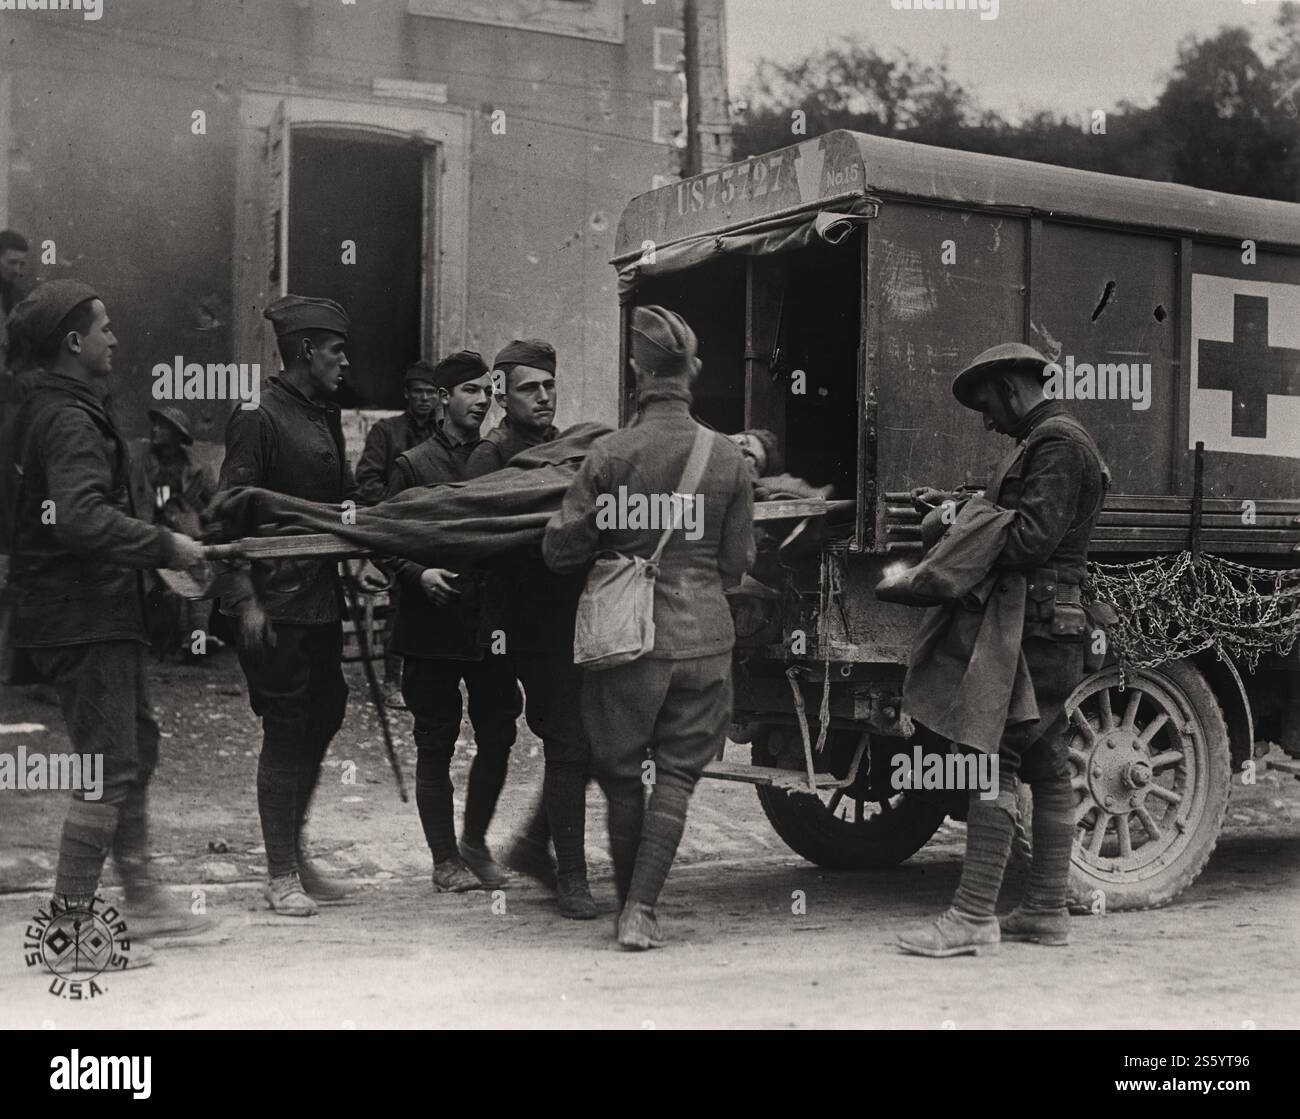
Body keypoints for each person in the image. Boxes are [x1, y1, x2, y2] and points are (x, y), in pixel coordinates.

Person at [2, 280, 210, 945]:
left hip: (95, 613)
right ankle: (68, 929)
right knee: (107, 766)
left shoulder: (53, 408)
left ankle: (142, 896)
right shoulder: (66, 418)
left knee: (133, 748)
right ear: (73, 341)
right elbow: (79, 519)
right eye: (105, 328)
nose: (114, 338)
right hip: (81, 615)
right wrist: (166, 544)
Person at [543, 305, 755, 949]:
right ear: (692, 371)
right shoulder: (728, 457)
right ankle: (641, 909)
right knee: (679, 778)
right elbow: (737, 563)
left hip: (630, 644)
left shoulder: (609, 454)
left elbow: (561, 551)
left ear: (636, 371)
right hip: (707, 641)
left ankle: (627, 904)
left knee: (620, 772)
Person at [896, 342, 1107, 957]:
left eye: (987, 404)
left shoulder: (1059, 445)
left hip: (1037, 627)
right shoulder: (1045, 443)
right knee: (1043, 761)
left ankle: (971, 918)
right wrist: (968, 509)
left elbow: (1033, 539)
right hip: (1045, 625)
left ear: (1012, 388)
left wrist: (964, 519)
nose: (987, 419)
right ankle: (1044, 911)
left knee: (990, 760)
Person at [217, 294, 358, 917]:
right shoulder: (257, 416)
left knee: (325, 710)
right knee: (286, 724)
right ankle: (279, 874)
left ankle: (294, 851)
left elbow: (341, 501)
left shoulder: (320, 415)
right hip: (272, 605)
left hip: (321, 600)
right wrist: (243, 597)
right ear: (306, 350)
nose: (344, 361)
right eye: (335, 350)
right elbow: (228, 513)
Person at [466, 339, 598, 919]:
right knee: (502, 738)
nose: (543, 397)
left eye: (548, 385)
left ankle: (561, 867)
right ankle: (488, 848)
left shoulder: (569, 449)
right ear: (502, 393)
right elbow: (479, 545)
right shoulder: (489, 460)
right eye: (528, 388)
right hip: (501, 621)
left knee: (574, 741)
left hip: (557, 621)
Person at [383, 351, 524, 892]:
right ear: (443, 399)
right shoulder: (413, 465)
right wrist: (417, 574)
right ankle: (444, 860)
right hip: (432, 627)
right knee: (435, 742)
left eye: (487, 390)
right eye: (470, 390)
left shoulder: (502, 461)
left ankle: (474, 842)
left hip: (490, 626)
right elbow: (384, 539)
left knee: (498, 733)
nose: (483, 399)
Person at [355, 359, 441, 703]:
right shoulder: (385, 432)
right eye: (418, 392)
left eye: (431, 393)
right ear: (406, 394)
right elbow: (366, 483)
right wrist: (403, 505)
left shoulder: (443, 434)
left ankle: (429, 680)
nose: (424, 399)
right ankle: (393, 681)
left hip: (433, 530)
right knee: (401, 603)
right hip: (396, 531)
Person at [130, 405, 217, 661]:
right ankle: (163, 644)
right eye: (154, 425)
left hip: (185, 537)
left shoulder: (196, 468)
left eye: (163, 427)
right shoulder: (141, 464)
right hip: (149, 535)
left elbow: (216, 503)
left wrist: (207, 525)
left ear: (178, 435)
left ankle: (197, 643)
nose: (155, 430)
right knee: (154, 588)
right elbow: (135, 503)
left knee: (201, 576)